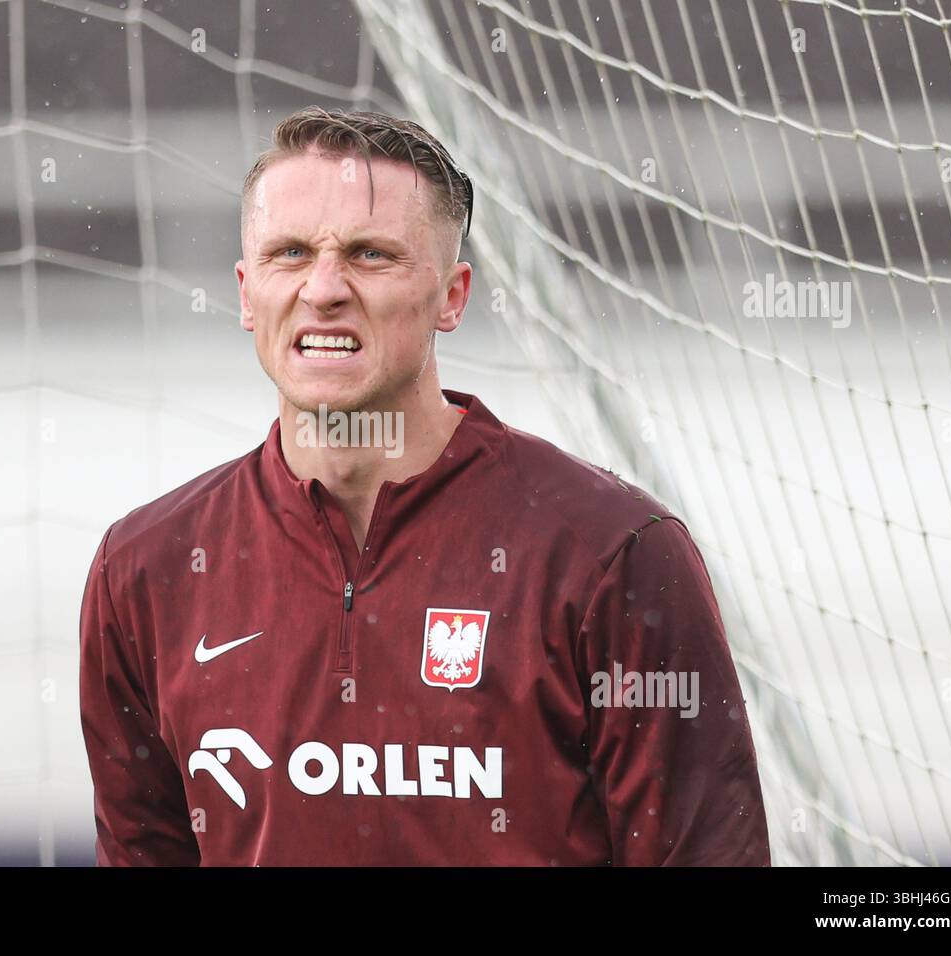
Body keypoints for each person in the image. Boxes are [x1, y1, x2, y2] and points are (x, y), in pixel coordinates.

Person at [79, 105, 771, 866]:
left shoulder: (611, 552)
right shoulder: (147, 568)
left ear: (453, 296)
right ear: (247, 293)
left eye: (371, 255)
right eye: (290, 253)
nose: (325, 289)